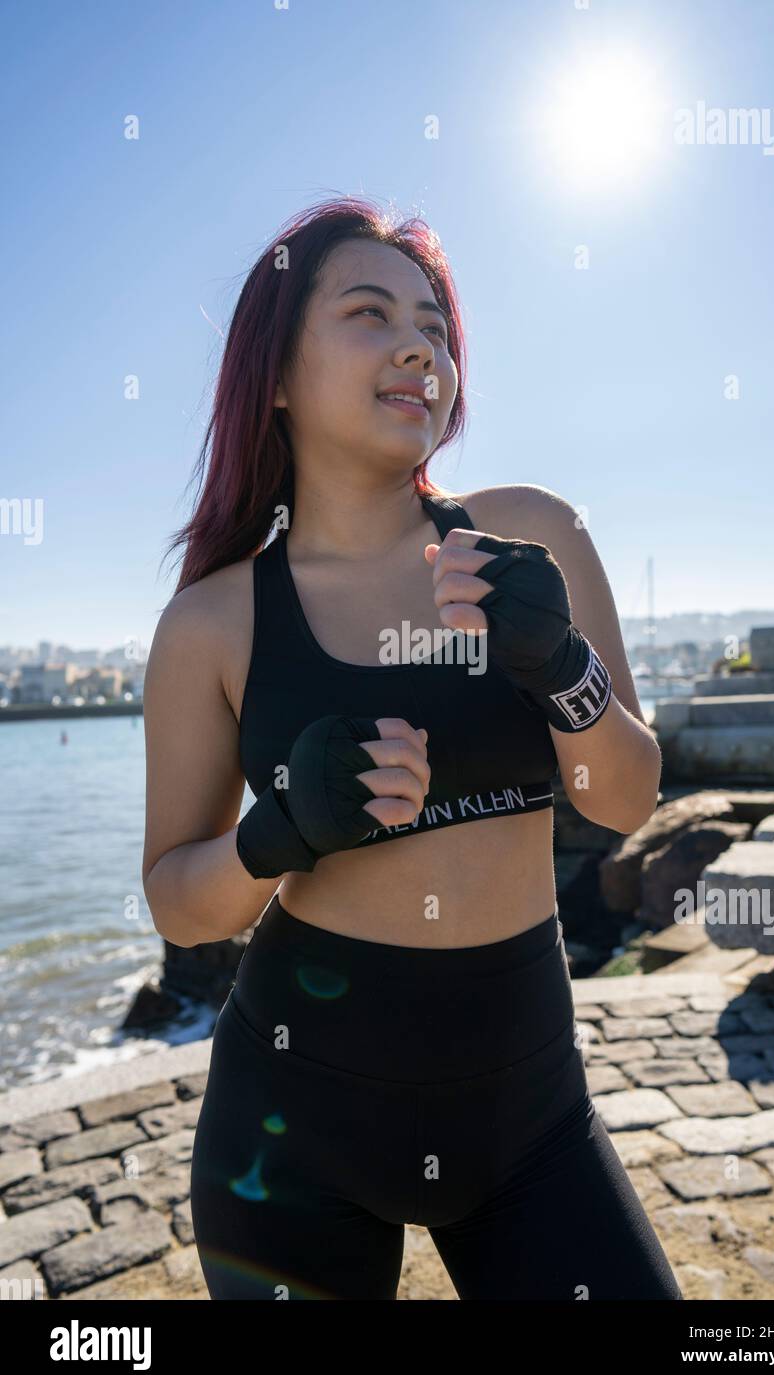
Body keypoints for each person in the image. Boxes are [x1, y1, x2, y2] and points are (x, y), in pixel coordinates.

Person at [142, 195, 683, 1301]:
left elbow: (626, 799)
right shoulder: (212, 622)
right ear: (277, 374)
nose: (417, 346)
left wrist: (557, 666)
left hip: (530, 1123)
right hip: (289, 1132)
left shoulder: (529, 536)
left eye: (435, 325)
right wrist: (281, 834)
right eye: (370, 311)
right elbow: (174, 897)